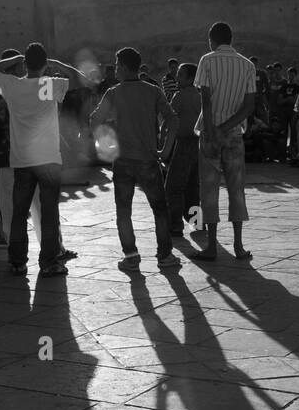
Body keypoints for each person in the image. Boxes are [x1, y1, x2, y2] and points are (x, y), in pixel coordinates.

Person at [0, 41, 83, 277]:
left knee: (19, 213)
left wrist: (14, 59)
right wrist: (56, 63)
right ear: (45, 64)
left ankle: (17, 261)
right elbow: (80, 79)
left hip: (22, 160)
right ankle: (48, 262)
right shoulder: (46, 86)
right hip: (48, 158)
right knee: (49, 213)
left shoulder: (13, 86)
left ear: (25, 63)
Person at [89, 46, 178, 271]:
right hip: (149, 159)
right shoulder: (153, 91)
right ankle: (165, 255)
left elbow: (94, 121)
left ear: (126, 67)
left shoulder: (113, 93)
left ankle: (132, 257)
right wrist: (165, 150)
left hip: (123, 161)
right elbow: (172, 119)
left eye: (118, 65)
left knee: (124, 211)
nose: (115, 69)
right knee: (159, 209)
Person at [193, 21, 256, 260]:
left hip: (210, 132)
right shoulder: (248, 65)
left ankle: (211, 246)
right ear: (231, 39)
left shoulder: (207, 60)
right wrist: (226, 128)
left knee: (209, 189)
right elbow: (248, 106)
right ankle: (239, 245)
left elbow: (206, 101)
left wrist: (211, 131)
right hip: (233, 134)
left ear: (212, 39)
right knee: (236, 188)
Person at [160, 62, 201, 237]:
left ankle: (175, 225)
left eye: (181, 75)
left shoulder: (180, 96)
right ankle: (197, 223)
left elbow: (169, 122)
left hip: (183, 143)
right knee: (192, 187)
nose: (177, 78)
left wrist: (163, 144)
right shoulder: (200, 96)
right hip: (198, 145)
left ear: (191, 78)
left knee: (173, 187)